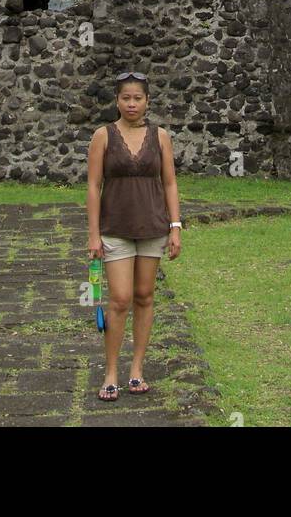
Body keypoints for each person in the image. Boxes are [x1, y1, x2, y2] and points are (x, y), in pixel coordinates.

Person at [86, 71, 183, 402]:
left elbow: (169, 183)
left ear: (147, 101)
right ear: (117, 101)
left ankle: (137, 369)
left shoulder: (161, 137)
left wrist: (175, 226)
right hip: (115, 227)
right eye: (125, 98)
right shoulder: (103, 136)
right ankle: (111, 371)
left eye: (137, 98)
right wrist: (93, 235)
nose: (131, 103)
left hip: (153, 226)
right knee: (120, 299)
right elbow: (93, 186)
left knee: (144, 296)